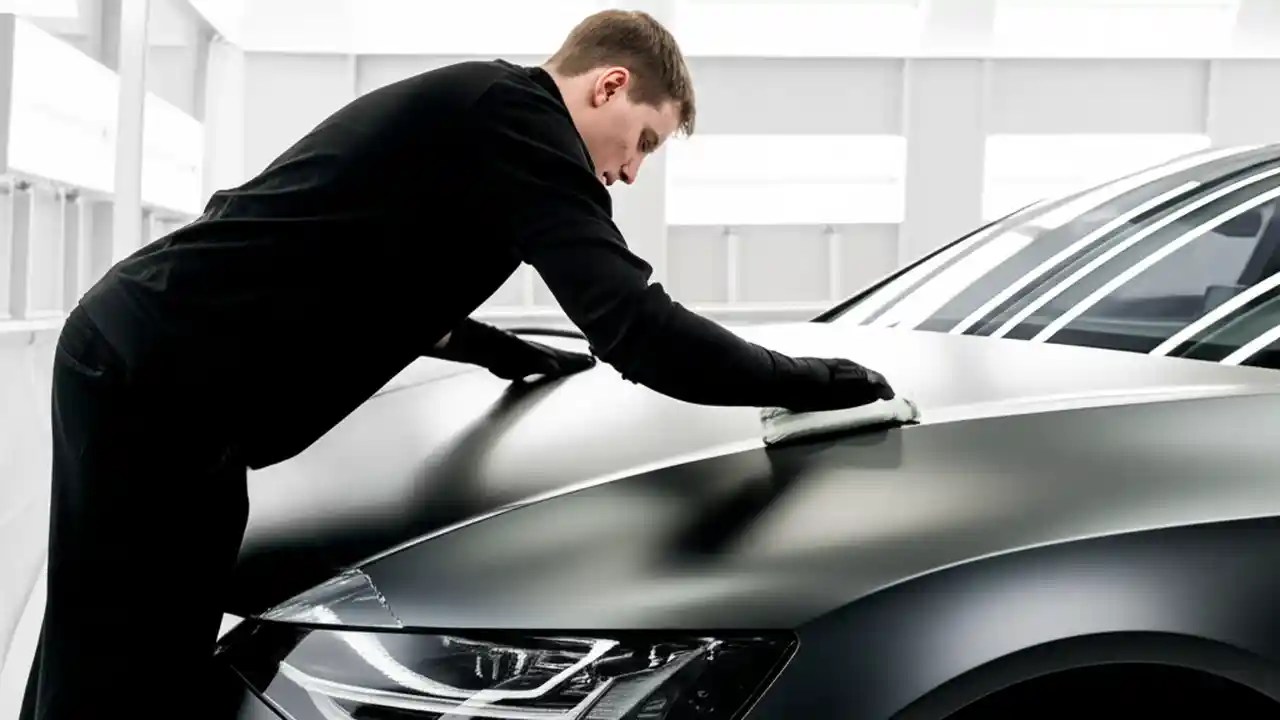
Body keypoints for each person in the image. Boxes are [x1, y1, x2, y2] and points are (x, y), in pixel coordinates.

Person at [20, 9, 894, 719]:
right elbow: (639, 329)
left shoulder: (480, 113)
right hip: (150, 378)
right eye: (645, 142)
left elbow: (369, 269)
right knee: (115, 662)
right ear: (610, 84)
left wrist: (501, 351)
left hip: (169, 379)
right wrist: (811, 378)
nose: (630, 171)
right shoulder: (518, 123)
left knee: (139, 653)